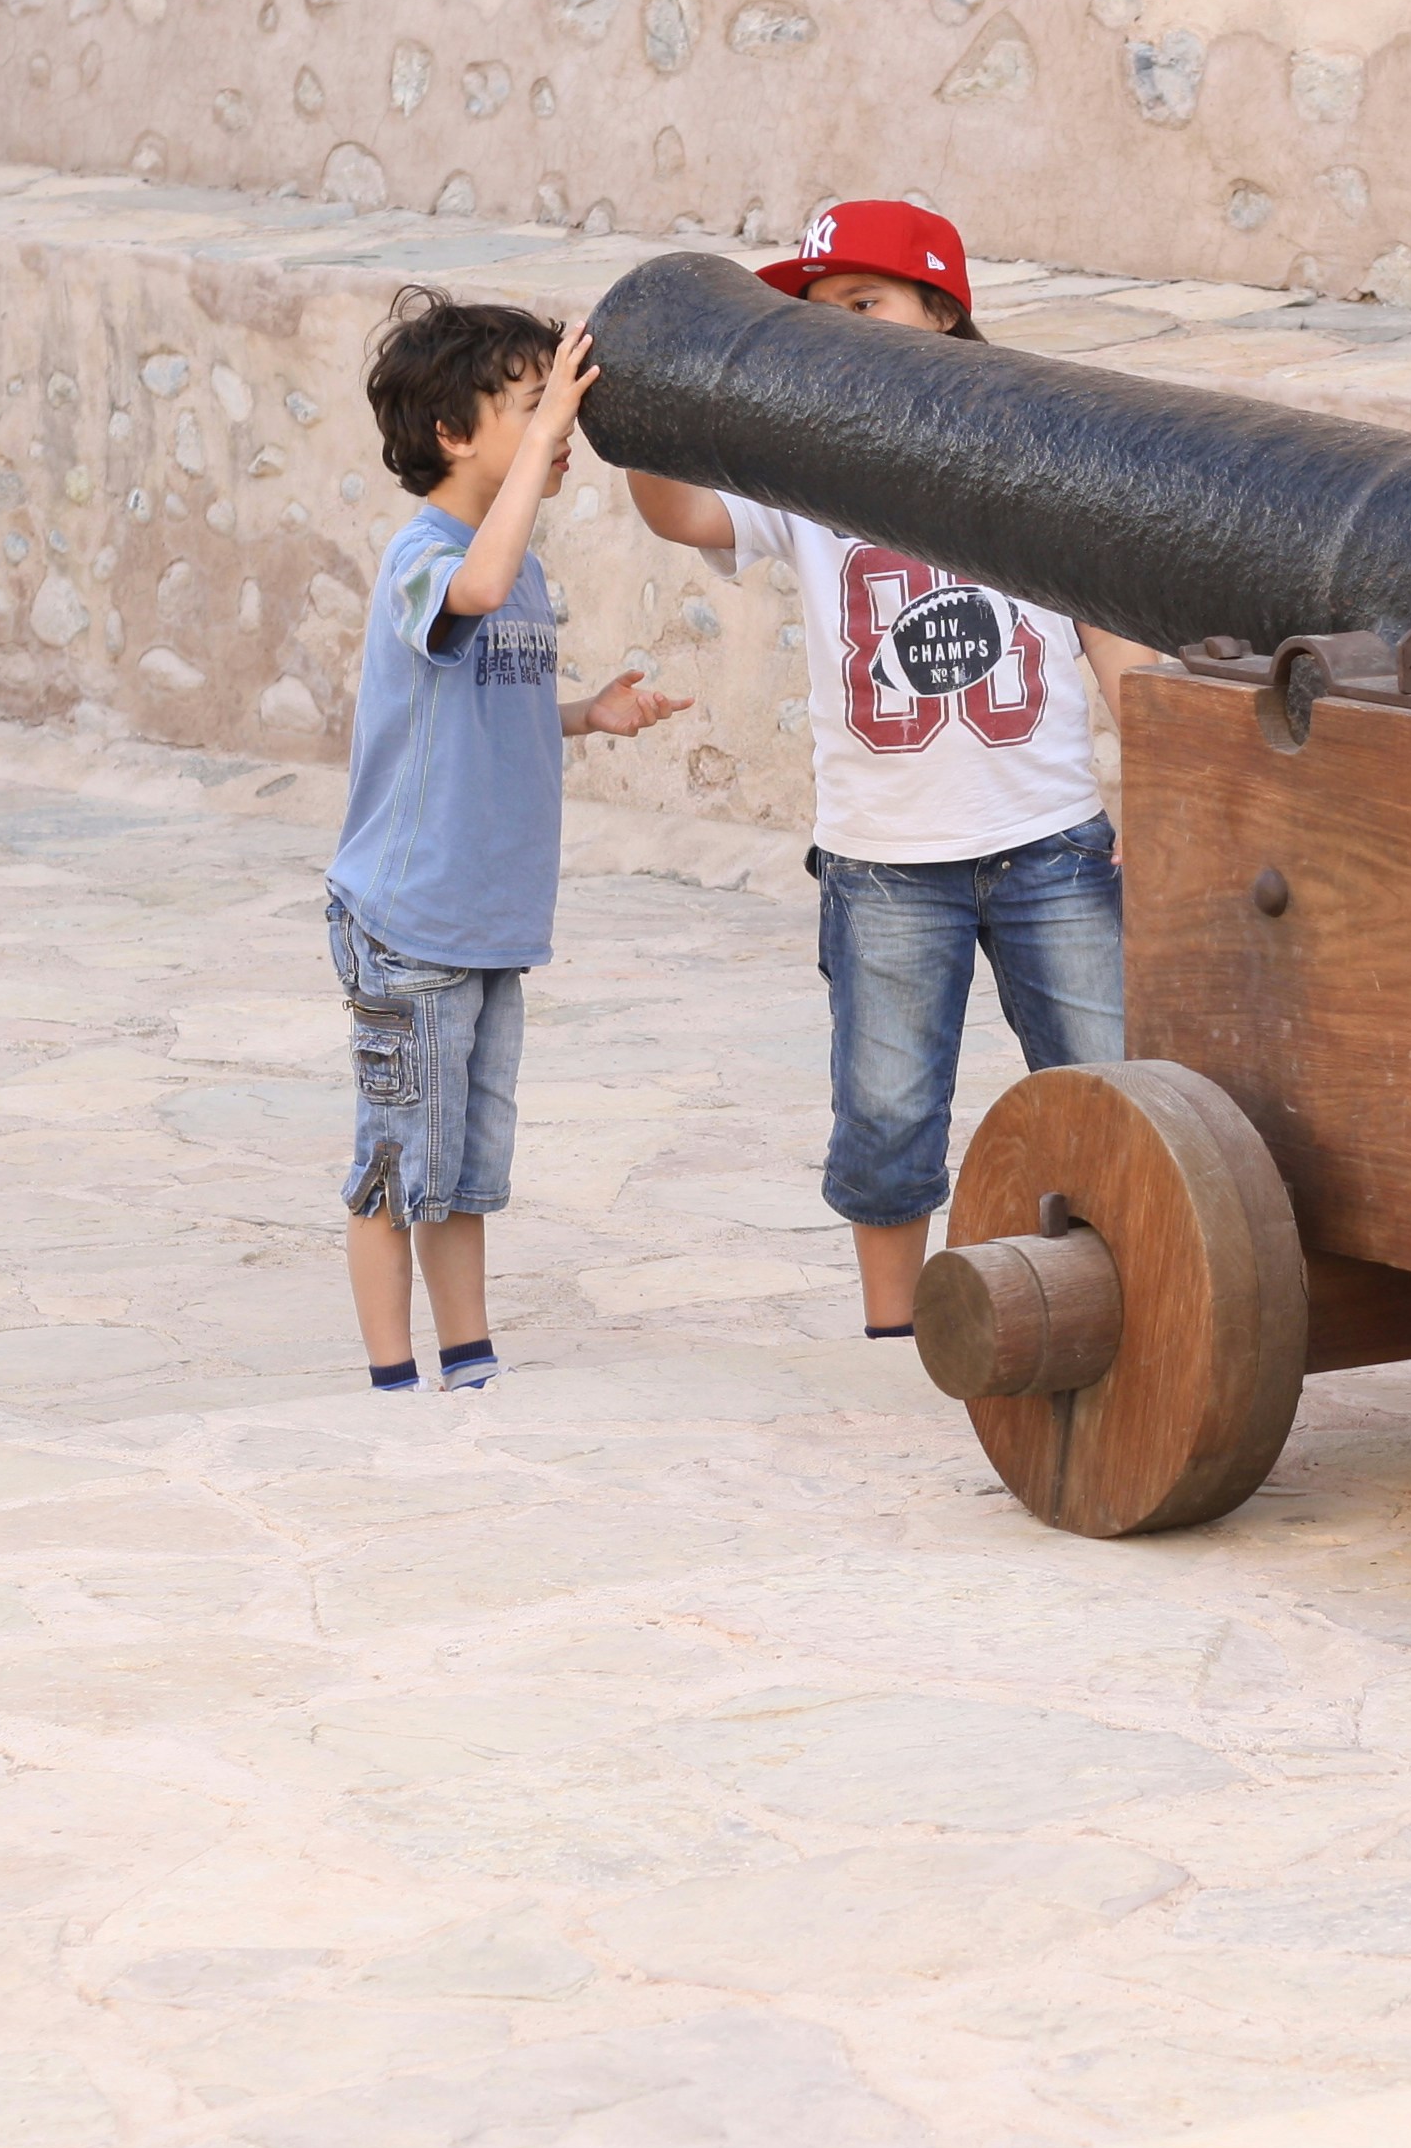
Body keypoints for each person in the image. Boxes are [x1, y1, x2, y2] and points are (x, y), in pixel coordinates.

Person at [622, 201, 1163, 1338]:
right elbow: (680, 513)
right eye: (821, 318)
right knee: (886, 1106)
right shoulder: (808, 474)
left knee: (1114, 1079)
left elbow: (1110, 631)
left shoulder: (1042, 451)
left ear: (939, 309)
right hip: (886, 862)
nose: (840, 332)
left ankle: (1137, 1295)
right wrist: (638, 411)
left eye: (864, 306)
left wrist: (1165, 773)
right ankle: (892, 1334)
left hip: (1049, 840)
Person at [328, 290, 688, 1391]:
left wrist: (589, 715)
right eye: (537, 410)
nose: (561, 431)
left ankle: (469, 1357)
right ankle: (394, 1379)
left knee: (470, 1168)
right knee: (398, 1163)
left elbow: (486, 697)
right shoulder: (427, 557)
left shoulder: (517, 566)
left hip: (487, 925)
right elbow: (468, 595)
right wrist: (537, 451)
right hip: (411, 918)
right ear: (454, 432)